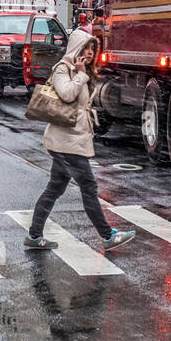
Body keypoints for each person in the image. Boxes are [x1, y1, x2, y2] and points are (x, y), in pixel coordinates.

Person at [25, 29, 136, 253]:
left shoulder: (77, 70)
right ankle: (107, 236)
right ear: (76, 47)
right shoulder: (63, 68)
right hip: (67, 142)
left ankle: (34, 236)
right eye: (86, 48)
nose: (89, 52)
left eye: (92, 49)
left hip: (69, 140)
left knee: (54, 189)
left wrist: (84, 74)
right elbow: (66, 94)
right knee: (89, 187)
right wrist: (81, 74)